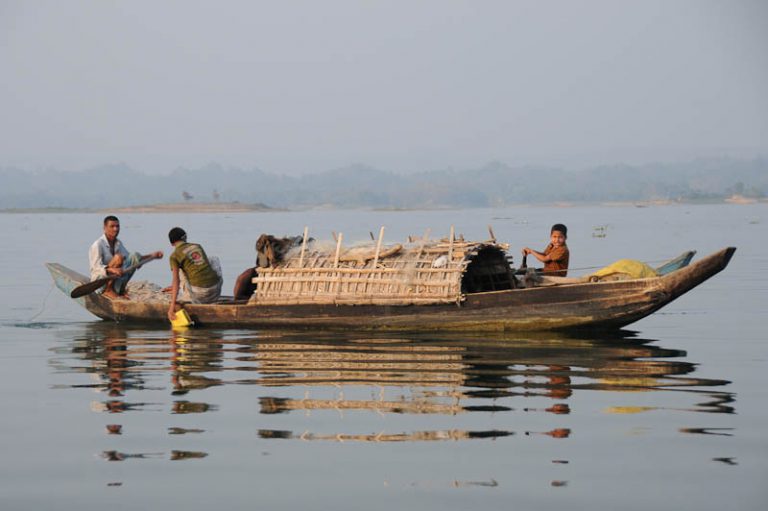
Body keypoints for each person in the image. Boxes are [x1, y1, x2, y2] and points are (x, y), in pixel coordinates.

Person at [89, 215, 163, 300]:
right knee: (118, 258)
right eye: (112, 226)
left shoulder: (118, 243)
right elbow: (95, 268)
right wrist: (111, 269)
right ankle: (108, 290)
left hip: (114, 281)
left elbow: (131, 259)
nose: (115, 229)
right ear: (105, 228)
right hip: (100, 284)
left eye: (117, 226)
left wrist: (153, 255)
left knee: (134, 256)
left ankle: (120, 290)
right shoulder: (98, 244)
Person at [165, 227, 222, 321]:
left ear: (172, 243)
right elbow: (198, 268)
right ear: (185, 238)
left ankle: (186, 295)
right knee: (213, 260)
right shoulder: (197, 246)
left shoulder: (174, 256)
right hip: (215, 290)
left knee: (180, 270)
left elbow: (176, 280)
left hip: (198, 294)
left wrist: (171, 309)